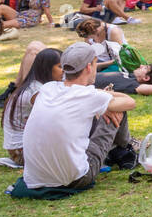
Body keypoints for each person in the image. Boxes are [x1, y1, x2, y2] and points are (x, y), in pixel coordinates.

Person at [20, 42, 138, 190]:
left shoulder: (47, 88)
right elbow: (130, 102)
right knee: (117, 109)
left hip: (34, 179)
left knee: (107, 108)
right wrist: (104, 96)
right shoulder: (88, 95)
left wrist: (101, 98)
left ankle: (121, 149)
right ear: (89, 67)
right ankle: (125, 149)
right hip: (75, 178)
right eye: (96, 64)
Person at [2, 46, 62, 166]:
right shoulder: (36, 91)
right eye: (60, 67)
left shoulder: (36, 85)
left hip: (26, 148)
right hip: (21, 153)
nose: (64, 71)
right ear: (47, 69)